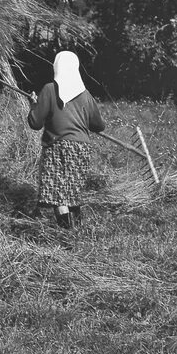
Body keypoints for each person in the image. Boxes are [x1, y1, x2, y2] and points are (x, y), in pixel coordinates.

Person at [27, 51, 106, 228]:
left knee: (58, 192)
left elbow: (35, 122)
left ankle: (66, 232)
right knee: (72, 190)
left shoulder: (49, 89)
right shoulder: (86, 95)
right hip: (82, 148)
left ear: (57, 66)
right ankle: (76, 229)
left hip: (58, 145)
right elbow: (99, 126)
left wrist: (33, 105)